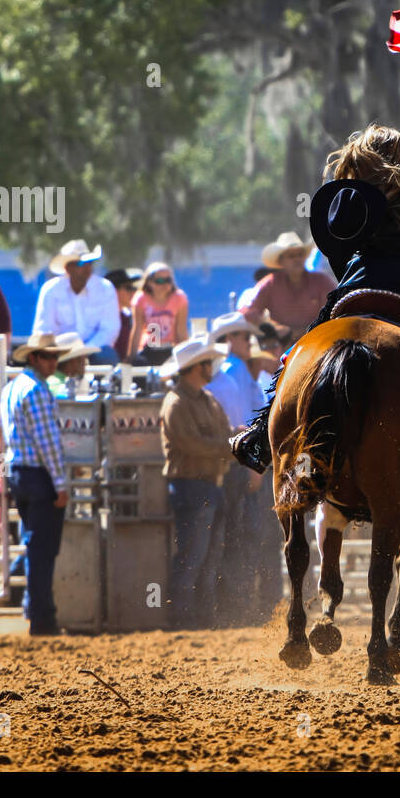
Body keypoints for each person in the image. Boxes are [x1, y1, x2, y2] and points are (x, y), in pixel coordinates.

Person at [232, 123, 400, 499]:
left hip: (351, 294)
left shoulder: (349, 199)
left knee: (295, 356)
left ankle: (258, 437)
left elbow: (336, 249)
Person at [205, 312, 281, 626]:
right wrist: (253, 465)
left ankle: (247, 605)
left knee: (250, 536)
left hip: (251, 465)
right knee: (249, 536)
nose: (251, 342)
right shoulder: (232, 375)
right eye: (244, 337)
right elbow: (241, 428)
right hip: (249, 467)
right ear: (230, 339)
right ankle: (245, 606)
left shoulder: (234, 374)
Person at [1, 333, 73, 636]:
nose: (53, 362)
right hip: (39, 475)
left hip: (19, 472)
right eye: (47, 356)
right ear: (34, 358)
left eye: (54, 356)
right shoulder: (37, 391)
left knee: (34, 545)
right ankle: (42, 618)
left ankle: (35, 609)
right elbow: (48, 443)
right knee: (42, 549)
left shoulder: (12, 388)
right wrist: (60, 483)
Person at [159, 336, 233, 629]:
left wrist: (228, 442)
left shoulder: (204, 399)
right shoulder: (176, 402)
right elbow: (191, 444)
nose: (210, 367)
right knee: (194, 553)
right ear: (194, 367)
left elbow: (212, 439)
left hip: (207, 485)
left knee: (207, 554)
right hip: (191, 485)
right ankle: (183, 617)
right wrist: (228, 445)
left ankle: (200, 616)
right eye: (206, 363)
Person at [237, 233, 337, 346]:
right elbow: (246, 312)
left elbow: (336, 306)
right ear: (281, 262)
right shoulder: (270, 283)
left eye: (300, 255)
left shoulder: (321, 280)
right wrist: (272, 327)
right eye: (291, 256)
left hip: (316, 341)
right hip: (280, 346)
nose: (297, 259)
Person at [33, 239, 121, 365]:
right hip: (60, 353)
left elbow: (110, 329)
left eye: (90, 263)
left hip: (95, 352)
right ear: (68, 268)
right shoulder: (51, 290)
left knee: (107, 355)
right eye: (82, 264)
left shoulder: (105, 288)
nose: (88, 267)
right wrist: (63, 351)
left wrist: (83, 352)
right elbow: (43, 330)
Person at [129, 261, 189, 366]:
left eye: (168, 280)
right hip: (150, 348)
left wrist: (187, 356)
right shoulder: (141, 299)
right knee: (139, 365)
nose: (165, 284)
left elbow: (181, 330)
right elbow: (137, 329)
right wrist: (131, 357)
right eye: (160, 281)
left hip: (170, 348)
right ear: (149, 282)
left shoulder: (179, 298)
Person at [105, 268, 143, 362]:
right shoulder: (101, 319)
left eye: (134, 288)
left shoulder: (129, 317)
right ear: (113, 290)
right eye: (128, 288)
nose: (133, 292)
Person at [45, 332, 99, 398]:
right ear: (74, 360)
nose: (86, 362)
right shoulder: (59, 387)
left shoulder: (51, 382)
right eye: (84, 358)